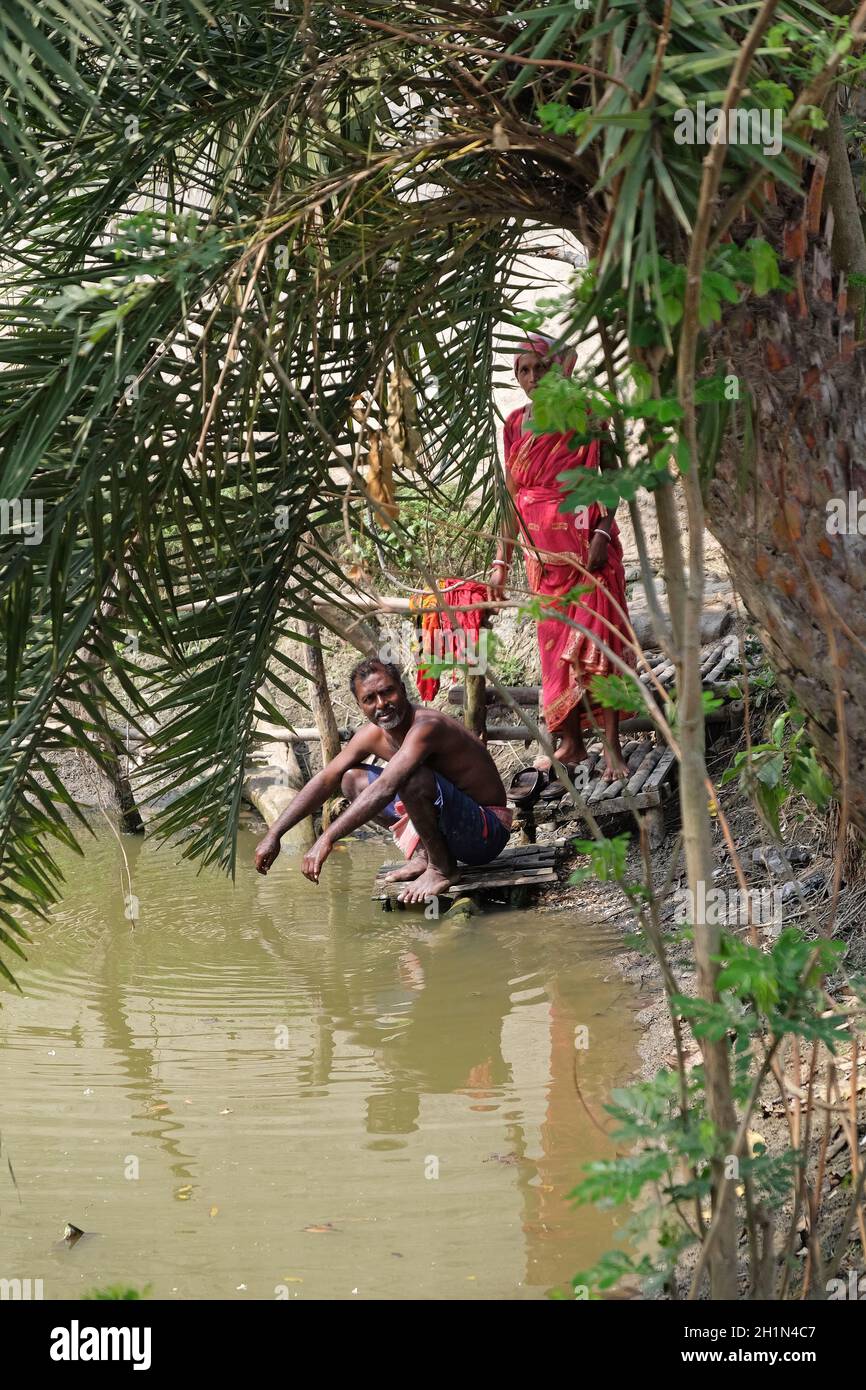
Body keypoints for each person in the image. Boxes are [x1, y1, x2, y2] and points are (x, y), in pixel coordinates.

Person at [488, 333, 633, 781]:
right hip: (542, 561)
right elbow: (511, 499)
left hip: (587, 552)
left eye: (541, 368)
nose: (533, 378)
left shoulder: (588, 414)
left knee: (598, 646)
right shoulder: (514, 424)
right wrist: (500, 563)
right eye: (523, 371)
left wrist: (604, 534)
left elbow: (615, 479)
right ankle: (570, 743)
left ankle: (612, 749)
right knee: (555, 650)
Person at [254, 658, 512, 904]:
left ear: (402, 689)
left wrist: (326, 837)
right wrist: (275, 833)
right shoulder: (372, 735)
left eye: (387, 692)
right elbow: (325, 779)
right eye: (369, 699)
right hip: (452, 826)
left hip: (485, 832)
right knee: (352, 779)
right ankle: (425, 854)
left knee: (411, 778)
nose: (381, 704)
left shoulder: (426, 726)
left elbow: (387, 785)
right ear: (359, 705)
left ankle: (442, 868)